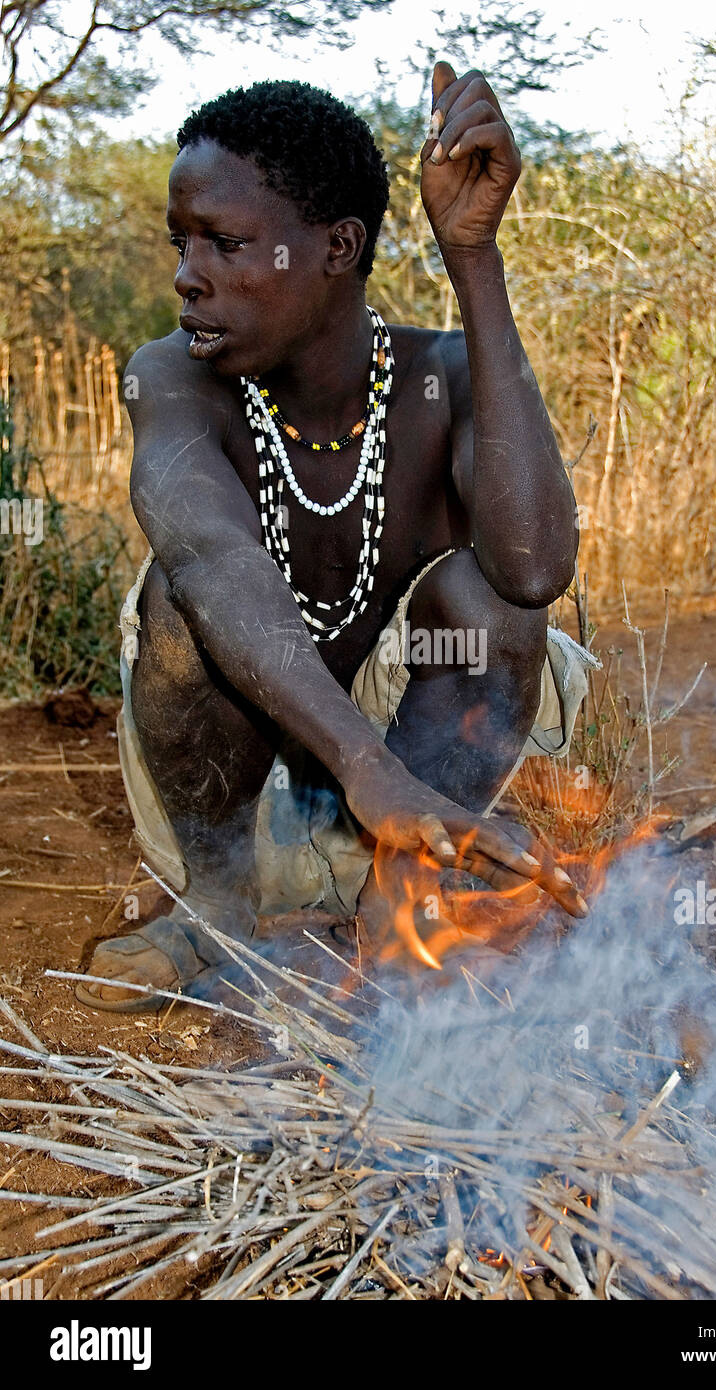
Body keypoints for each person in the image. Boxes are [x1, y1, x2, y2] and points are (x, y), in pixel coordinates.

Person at [77, 62, 597, 1012]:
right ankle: (219, 916)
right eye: (180, 242)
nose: (187, 277)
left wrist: (473, 257)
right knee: (180, 597)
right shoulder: (174, 378)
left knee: (493, 604)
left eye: (226, 243)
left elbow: (536, 567)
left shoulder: (444, 372)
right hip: (249, 813)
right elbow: (211, 558)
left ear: (337, 247)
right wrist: (367, 770)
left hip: (411, 815)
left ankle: (394, 920)